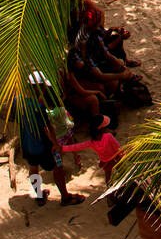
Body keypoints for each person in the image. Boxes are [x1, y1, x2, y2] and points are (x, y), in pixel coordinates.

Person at [18, 79, 84, 207]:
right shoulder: (39, 106)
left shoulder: (18, 100)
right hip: (44, 145)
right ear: (39, 88)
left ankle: (39, 195)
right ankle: (65, 197)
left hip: (27, 142)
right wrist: (56, 144)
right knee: (58, 168)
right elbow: (48, 128)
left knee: (33, 168)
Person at [63, 115, 123, 185]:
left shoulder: (91, 143)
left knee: (108, 177)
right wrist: (124, 155)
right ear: (103, 129)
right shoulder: (109, 136)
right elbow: (118, 148)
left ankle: (109, 190)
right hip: (116, 158)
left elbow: (77, 147)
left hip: (106, 162)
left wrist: (62, 148)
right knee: (122, 172)